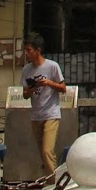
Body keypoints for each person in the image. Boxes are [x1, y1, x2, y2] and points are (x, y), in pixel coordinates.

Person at [21, 34, 67, 176]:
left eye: (29, 50)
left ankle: (55, 181)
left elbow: (63, 88)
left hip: (51, 114)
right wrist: (33, 88)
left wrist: (49, 83)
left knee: (47, 150)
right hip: (36, 116)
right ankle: (49, 179)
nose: (26, 54)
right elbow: (25, 94)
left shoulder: (52, 66)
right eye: (25, 50)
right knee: (43, 153)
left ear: (38, 50)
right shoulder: (26, 70)